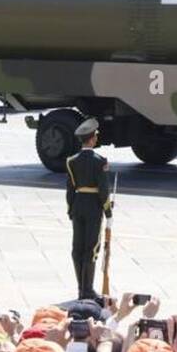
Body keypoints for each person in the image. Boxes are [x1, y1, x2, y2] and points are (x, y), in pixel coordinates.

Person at [65, 118, 111, 299]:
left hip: (77, 205)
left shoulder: (71, 161)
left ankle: (80, 289)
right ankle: (88, 289)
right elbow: (104, 190)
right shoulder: (100, 161)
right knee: (91, 248)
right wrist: (108, 211)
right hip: (93, 206)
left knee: (77, 247)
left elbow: (70, 189)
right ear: (92, 139)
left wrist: (70, 210)